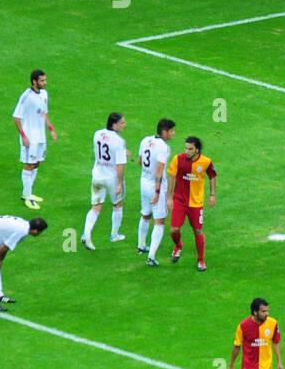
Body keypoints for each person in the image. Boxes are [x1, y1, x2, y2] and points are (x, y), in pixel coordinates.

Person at [0, 215, 47, 310]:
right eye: (41, 232)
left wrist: (0, 260)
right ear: (35, 231)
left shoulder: (24, 226)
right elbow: (4, 247)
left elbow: (6, 246)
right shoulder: (22, 231)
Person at [166, 135, 216, 270]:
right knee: (174, 230)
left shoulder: (206, 162)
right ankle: (178, 245)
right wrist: (169, 197)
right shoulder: (178, 159)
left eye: (190, 149)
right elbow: (171, 177)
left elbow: (212, 176)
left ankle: (201, 260)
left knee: (198, 231)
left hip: (196, 203)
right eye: (186, 148)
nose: (187, 151)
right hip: (180, 201)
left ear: (197, 150)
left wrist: (212, 194)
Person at [12, 68, 57, 210]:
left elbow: (44, 113)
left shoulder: (44, 94)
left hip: (41, 136)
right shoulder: (26, 96)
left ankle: (29, 193)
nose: (45, 83)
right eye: (42, 80)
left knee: (37, 163)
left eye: (45, 80)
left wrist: (51, 129)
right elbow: (16, 118)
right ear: (34, 81)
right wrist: (23, 136)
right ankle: (27, 196)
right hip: (30, 137)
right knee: (29, 164)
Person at [83, 112, 127, 251]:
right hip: (112, 178)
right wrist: (120, 183)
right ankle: (114, 234)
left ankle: (87, 234)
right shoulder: (119, 141)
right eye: (122, 122)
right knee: (118, 205)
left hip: (97, 175)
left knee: (96, 207)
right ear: (114, 124)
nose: (124, 125)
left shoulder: (97, 134)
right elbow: (120, 165)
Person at [136, 118, 176, 267]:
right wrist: (158, 192)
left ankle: (141, 246)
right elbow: (159, 172)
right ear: (164, 132)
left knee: (145, 214)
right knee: (159, 221)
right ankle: (151, 256)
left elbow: (140, 161)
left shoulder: (145, 140)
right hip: (155, 186)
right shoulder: (164, 148)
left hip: (143, 183)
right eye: (171, 131)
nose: (173, 134)